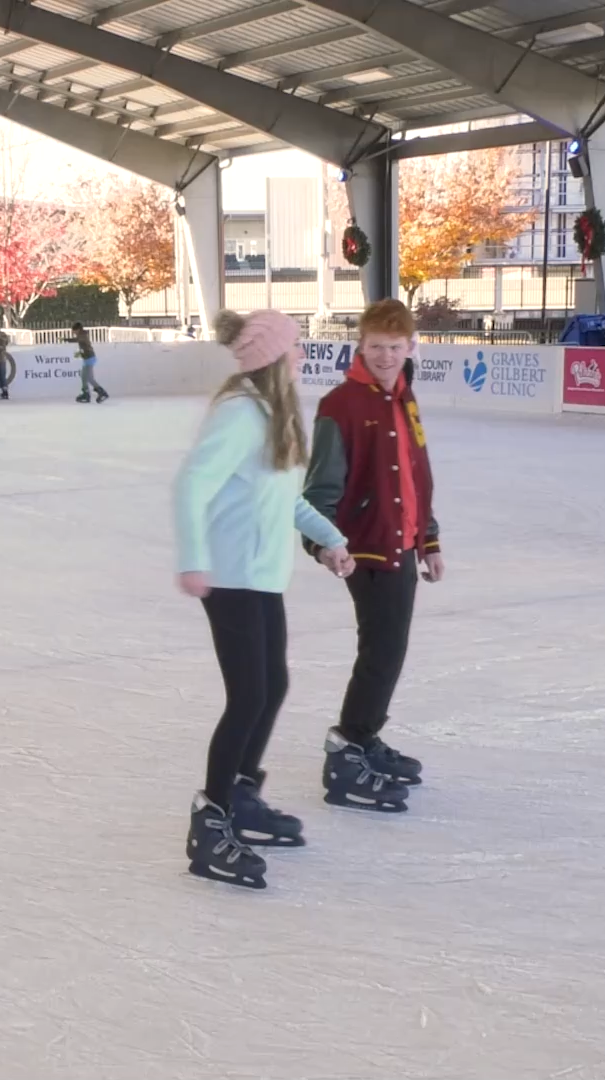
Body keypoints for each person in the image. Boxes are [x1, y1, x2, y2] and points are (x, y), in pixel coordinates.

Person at [173, 309, 353, 889]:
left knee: (271, 687)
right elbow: (192, 483)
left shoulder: (271, 415)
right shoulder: (240, 416)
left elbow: (286, 500)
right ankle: (211, 820)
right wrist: (193, 559)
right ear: (272, 358)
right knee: (249, 695)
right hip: (229, 577)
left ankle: (242, 795)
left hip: (261, 577)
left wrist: (329, 541)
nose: (302, 356)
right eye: (295, 348)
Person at [301, 298, 438, 812]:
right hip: (365, 548)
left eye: (395, 348)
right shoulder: (340, 405)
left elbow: (416, 472)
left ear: (410, 347)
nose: (385, 357)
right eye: (376, 347)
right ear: (360, 346)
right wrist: (322, 543)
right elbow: (319, 488)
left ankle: (365, 737)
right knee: (380, 652)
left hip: (402, 544)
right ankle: (349, 748)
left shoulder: (404, 396)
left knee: (389, 651)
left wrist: (429, 539)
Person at [73, 322, 109, 403]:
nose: (73, 332)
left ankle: (92, 394)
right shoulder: (82, 335)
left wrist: (65, 339)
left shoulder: (82, 336)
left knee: (86, 377)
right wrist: (80, 353)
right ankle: (91, 393)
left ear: (78, 330)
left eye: (74, 331)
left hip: (89, 358)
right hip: (88, 358)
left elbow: (82, 344)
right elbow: (84, 347)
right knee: (86, 377)